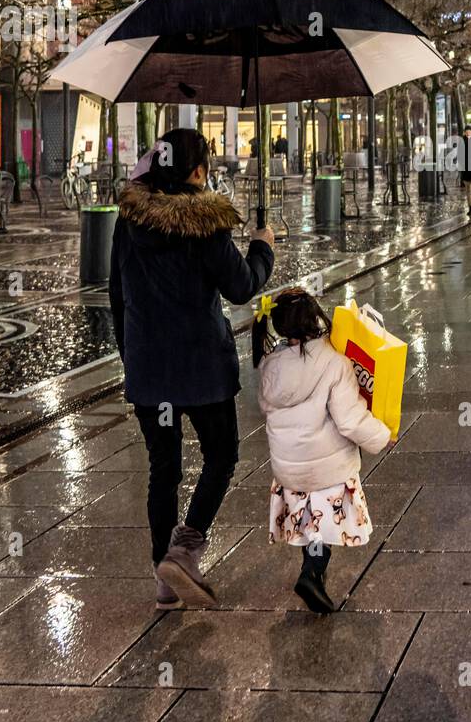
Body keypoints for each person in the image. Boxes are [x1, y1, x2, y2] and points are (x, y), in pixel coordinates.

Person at [109, 128, 274, 609]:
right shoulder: (205, 222)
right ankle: (184, 549)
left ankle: (165, 580)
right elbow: (242, 286)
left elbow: (116, 293)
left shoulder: (129, 219)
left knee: (165, 469)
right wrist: (262, 245)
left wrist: (132, 355)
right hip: (202, 367)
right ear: (197, 170)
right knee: (221, 457)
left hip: (149, 367)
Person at [253, 287, 391, 613]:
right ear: (315, 319)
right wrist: (382, 435)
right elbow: (350, 420)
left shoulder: (270, 365)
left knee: (311, 524)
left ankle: (312, 570)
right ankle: (312, 573)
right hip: (327, 469)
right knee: (321, 525)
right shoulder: (334, 362)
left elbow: (267, 409)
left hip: (289, 468)